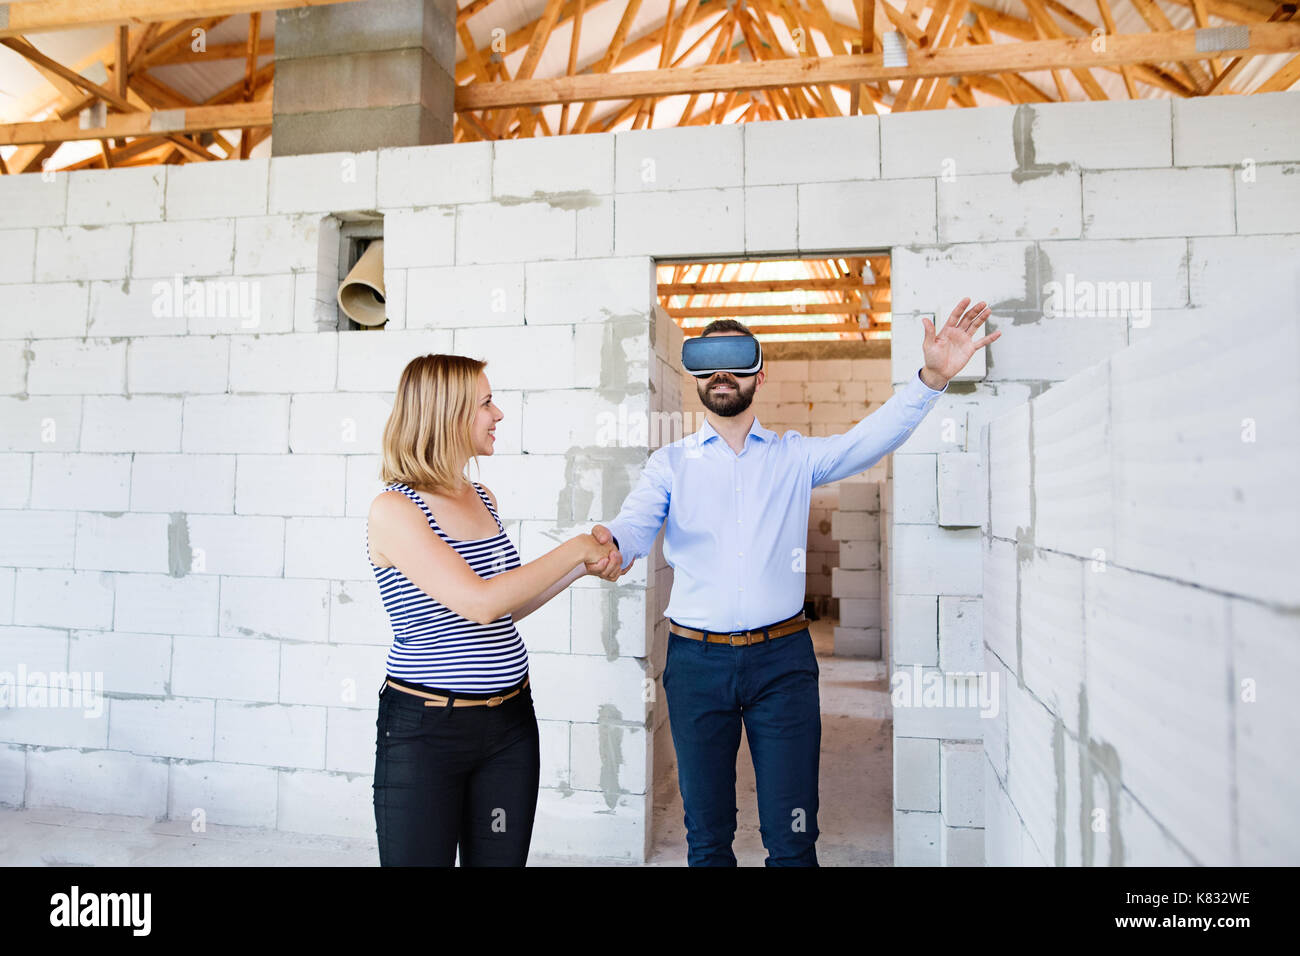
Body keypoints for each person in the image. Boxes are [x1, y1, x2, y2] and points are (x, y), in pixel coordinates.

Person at [593, 297, 999, 866]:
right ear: (696, 375)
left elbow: (869, 439)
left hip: (781, 664)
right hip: (696, 665)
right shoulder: (670, 465)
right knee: (706, 838)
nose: (721, 375)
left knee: (792, 838)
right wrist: (612, 543)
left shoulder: (795, 457)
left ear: (759, 372)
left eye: (735, 361)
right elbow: (633, 525)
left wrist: (930, 378)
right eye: (708, 363)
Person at [365, 353, 621, 867]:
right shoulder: (394, 509)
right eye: (485, 403)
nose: (498, 414)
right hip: (426, 733)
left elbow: (507, 604)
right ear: (447, 414)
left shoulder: (482, 496)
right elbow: (479, 603)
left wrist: (582, 569)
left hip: (509, 727)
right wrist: (572, 548)